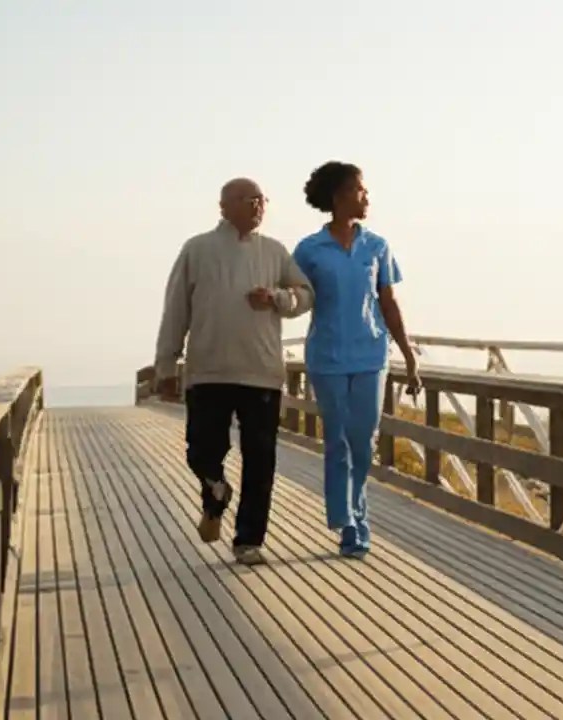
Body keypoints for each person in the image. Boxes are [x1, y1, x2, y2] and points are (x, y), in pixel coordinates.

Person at [154, 177, 313, 565]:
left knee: (261, 459)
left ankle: (248, 541)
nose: (258, 206)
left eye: (262, 199)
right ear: (224, 206)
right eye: (248, 199)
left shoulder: (275, 252)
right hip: (207, 371)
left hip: (260, 371)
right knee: (201, 451)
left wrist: (277, 298)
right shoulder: (197, 249)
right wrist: (166, 365)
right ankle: (216, 490)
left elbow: (305, 295)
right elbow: (176, 309)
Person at [292, 161, 421, 559]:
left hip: (371, 355)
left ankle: (355, 512)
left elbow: (388, 303)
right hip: (327, 357)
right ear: (339, 196)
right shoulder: (309, 250)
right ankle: (350, 523)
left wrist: (408, 356)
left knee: (363, 442)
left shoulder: (377, 246)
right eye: (360, 190)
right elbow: (296, 298)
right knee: (339, 441)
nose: (367, 197)